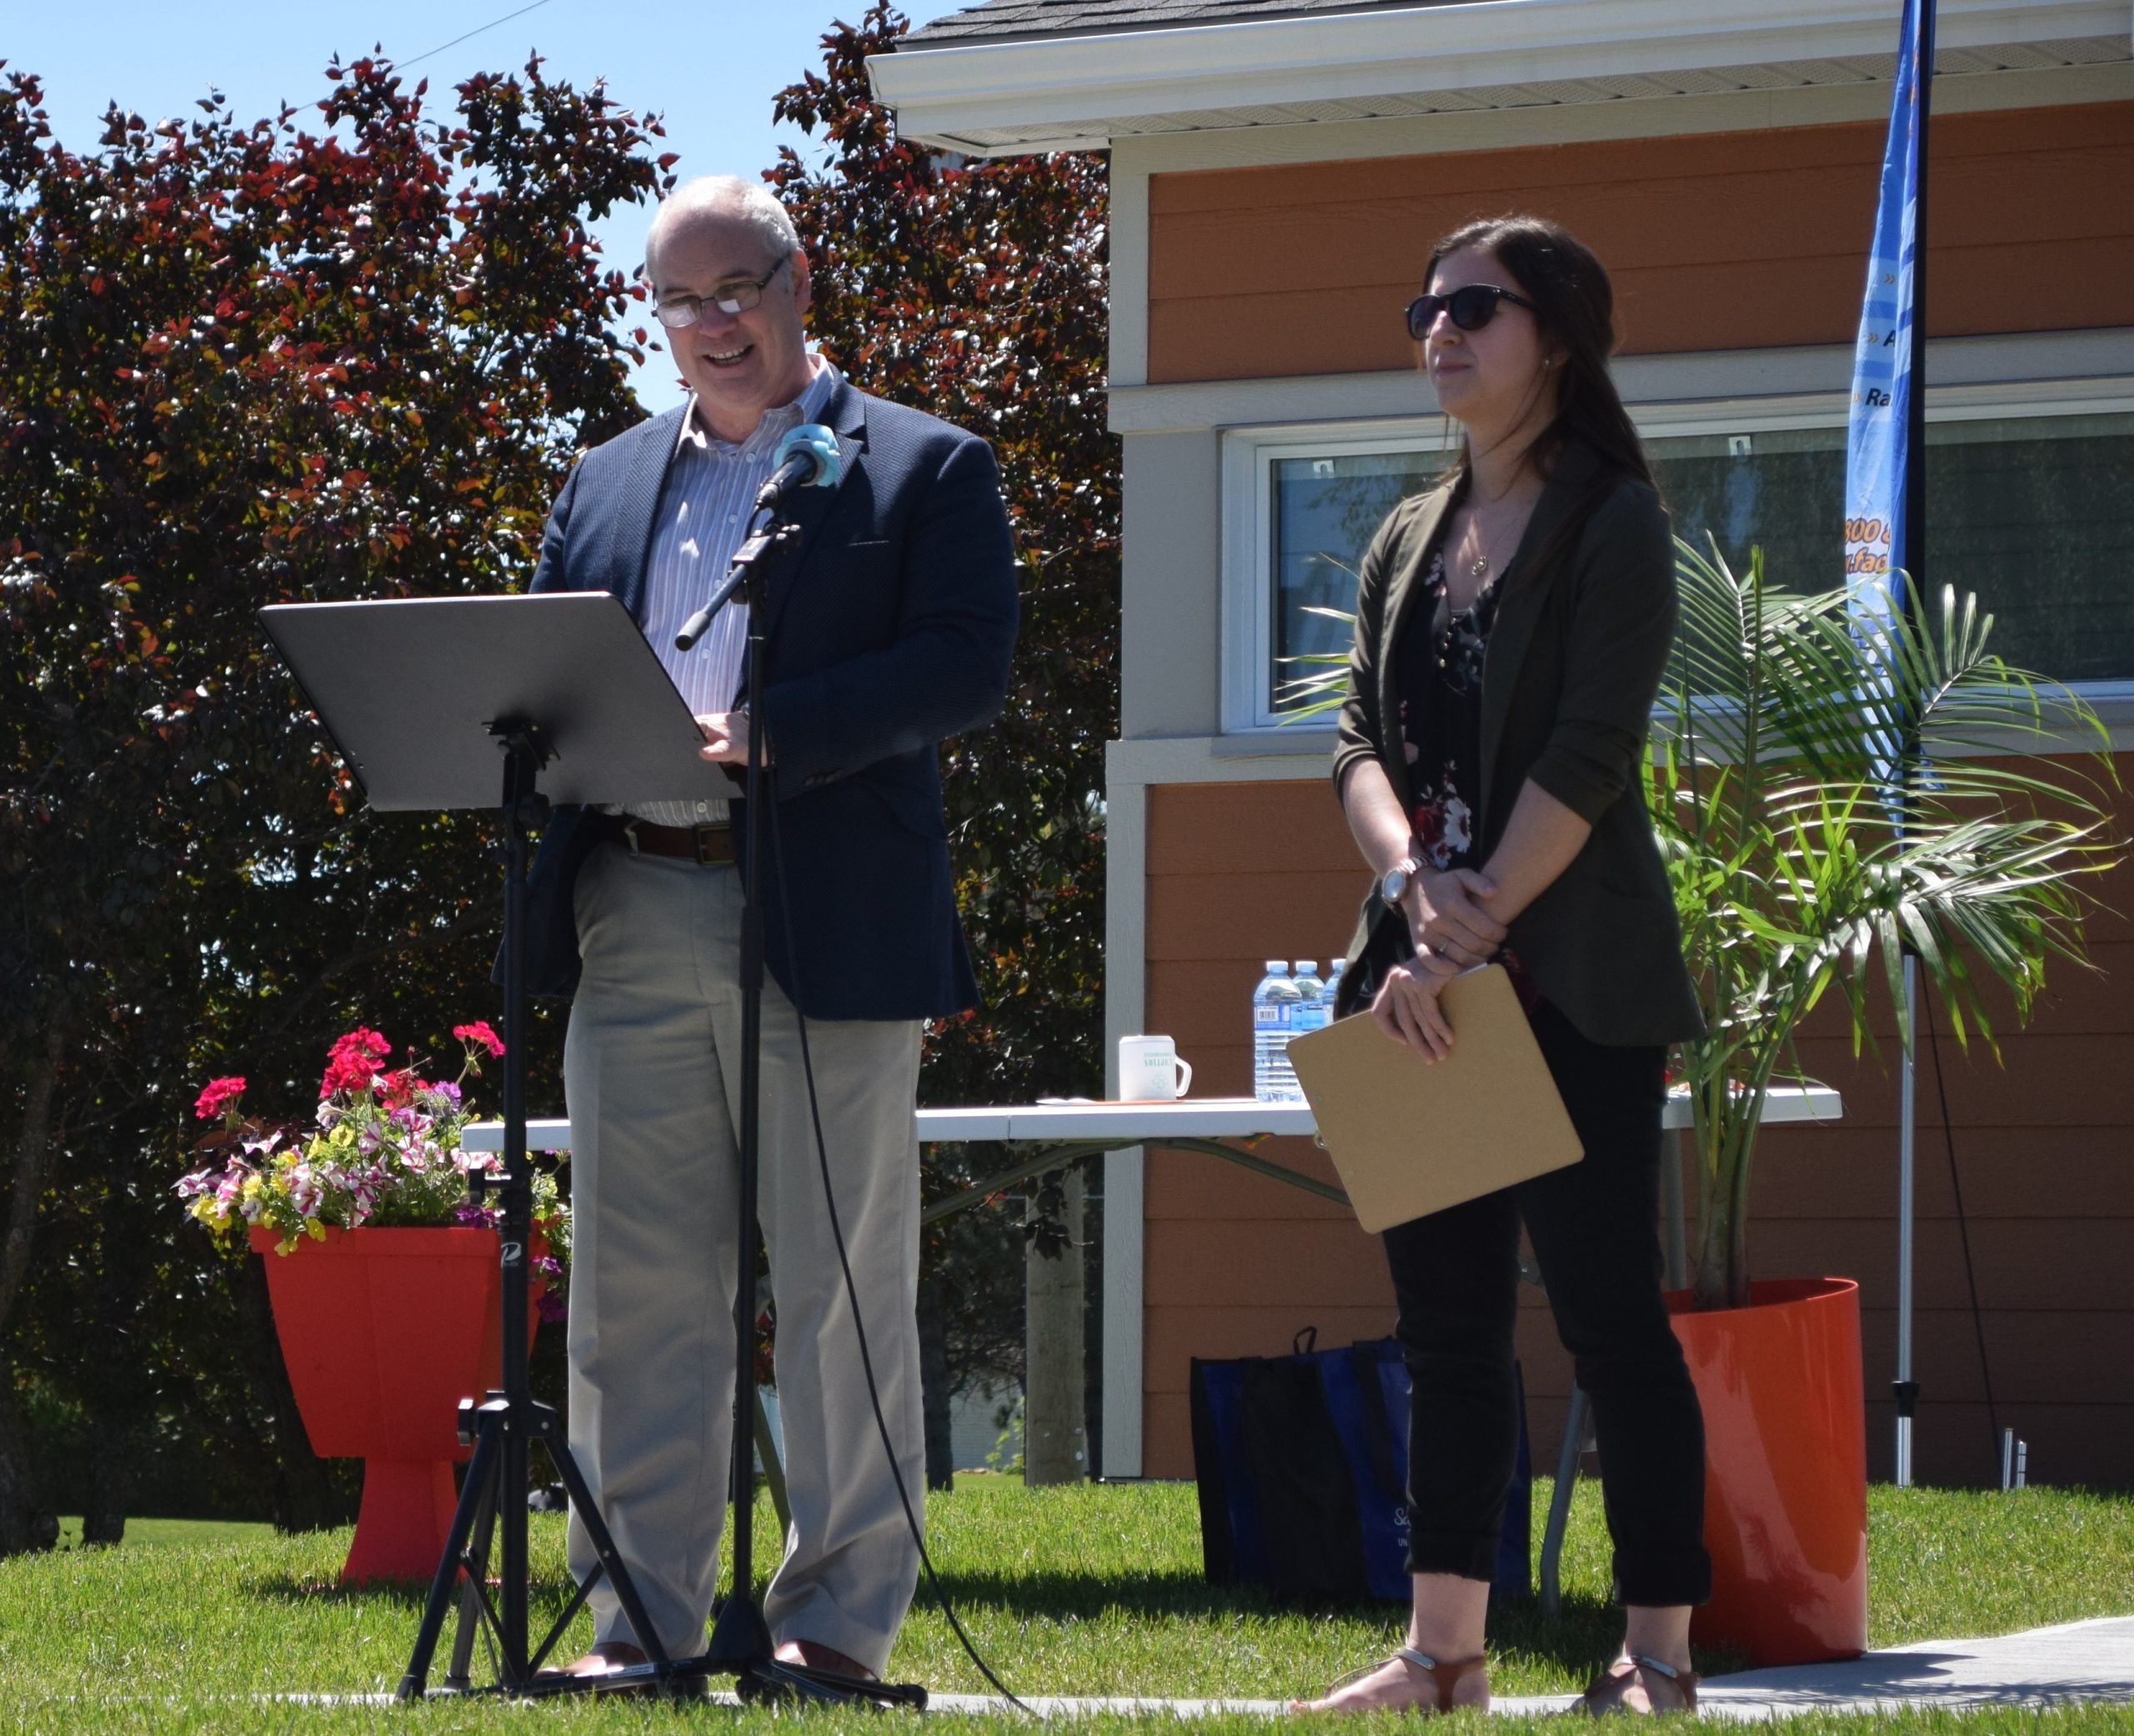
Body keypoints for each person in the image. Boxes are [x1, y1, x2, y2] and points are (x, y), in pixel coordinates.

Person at [515, 176, 1019, 1683]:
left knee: (841, 1289)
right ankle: (642, 1624)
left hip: (826, 912)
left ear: (801, 280)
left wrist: (776, 727)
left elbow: (963, 668)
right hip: (635, 897)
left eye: (737, 288)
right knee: (633, 1295)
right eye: (680, 301)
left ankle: (835, 1631)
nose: (712, 325)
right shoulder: (605, 481)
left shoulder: (922, 465)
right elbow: (547, 662)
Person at [1298, 215, 1709, 1718]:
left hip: (1573, 981)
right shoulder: (1406, 531)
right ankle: (1444, 1655)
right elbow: (1355, 743)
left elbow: (1594, 756)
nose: (1441, 328)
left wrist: (1466, 927)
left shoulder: (1614, 521)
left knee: (1611, 1322)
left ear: (1563, 336)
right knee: (1447, 1333)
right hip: (1421, 981)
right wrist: (1417, 896)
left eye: (1479, 305)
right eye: (1427, 305)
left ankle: (1657, 1652)